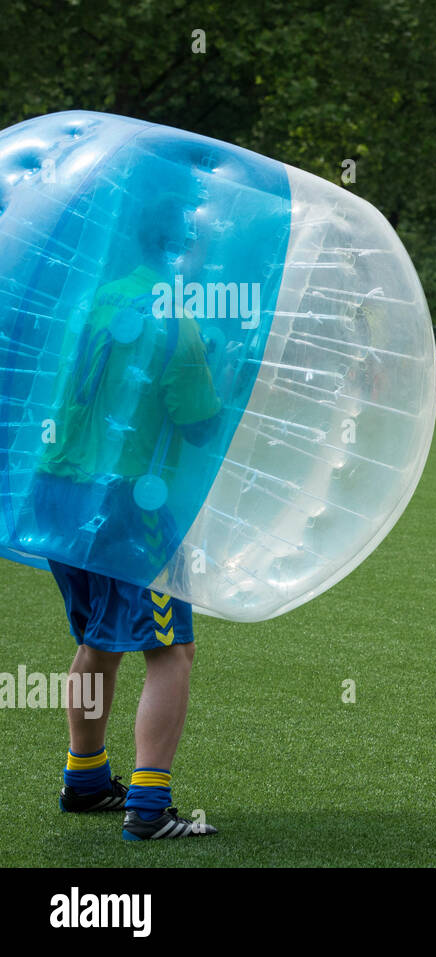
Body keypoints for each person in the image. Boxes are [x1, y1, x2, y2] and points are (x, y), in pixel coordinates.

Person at [38, 196, 221, 841]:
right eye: (199, 243)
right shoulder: (177, 320)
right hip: (125, 501)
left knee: (97, 635)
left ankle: (85, 779)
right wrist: (229, 375)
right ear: (178, 249)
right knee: (171, 647)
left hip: (58, 490)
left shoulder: (98, 299)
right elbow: (199, 423)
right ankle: (148, 807)